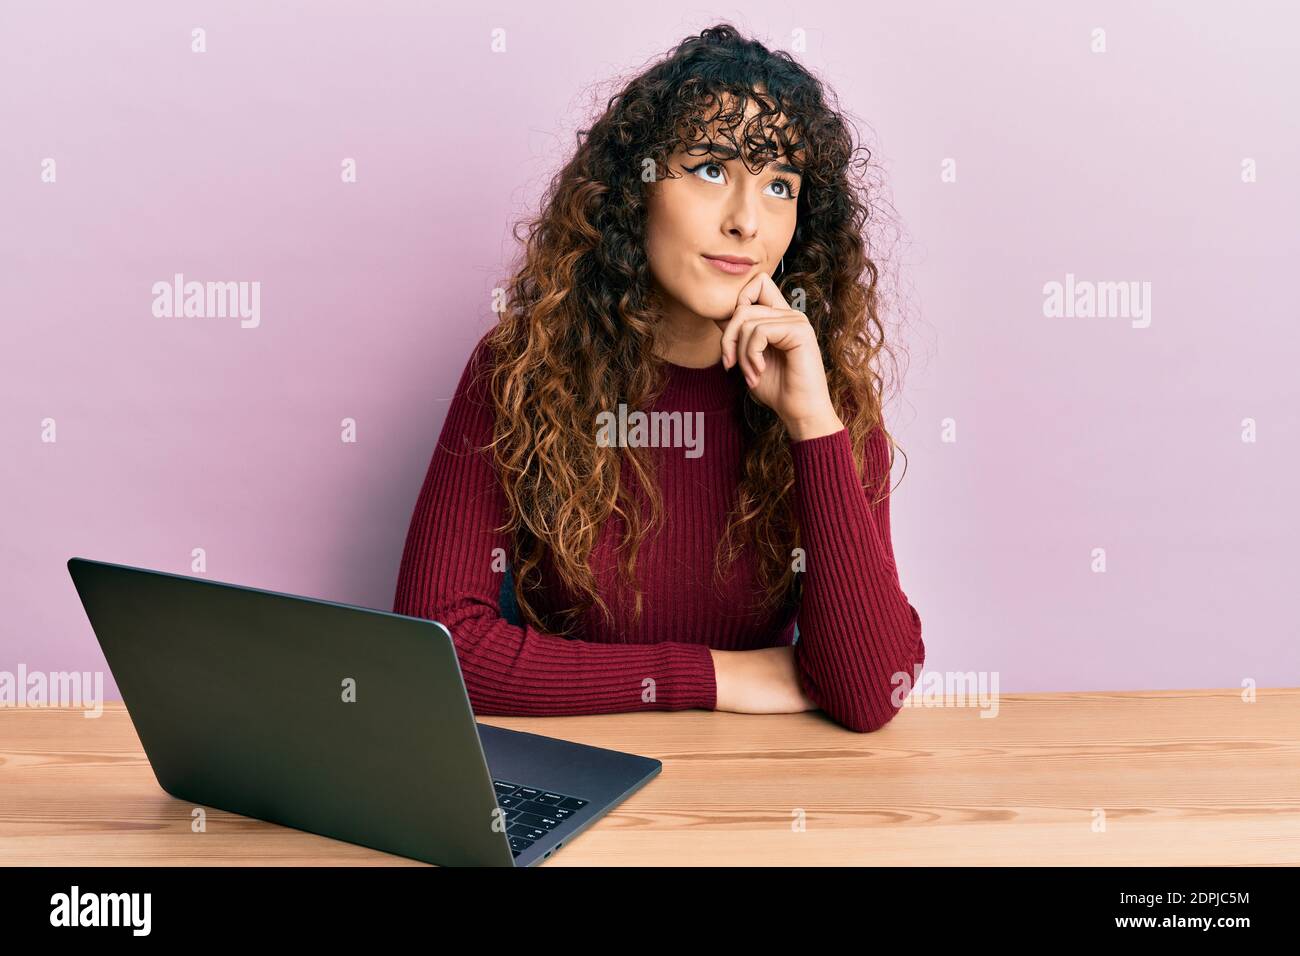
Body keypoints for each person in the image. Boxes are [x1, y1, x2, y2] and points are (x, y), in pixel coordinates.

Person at [393, 23, 924, 733]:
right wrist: (714, 675)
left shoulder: (825, 399)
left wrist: (813, 426)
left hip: (764, 798)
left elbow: (869, 693)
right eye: (711, 169)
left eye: (778, 185)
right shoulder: (520, 368)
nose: (746, 222)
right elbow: (440, 649)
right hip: (579, 775)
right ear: (635, 190)